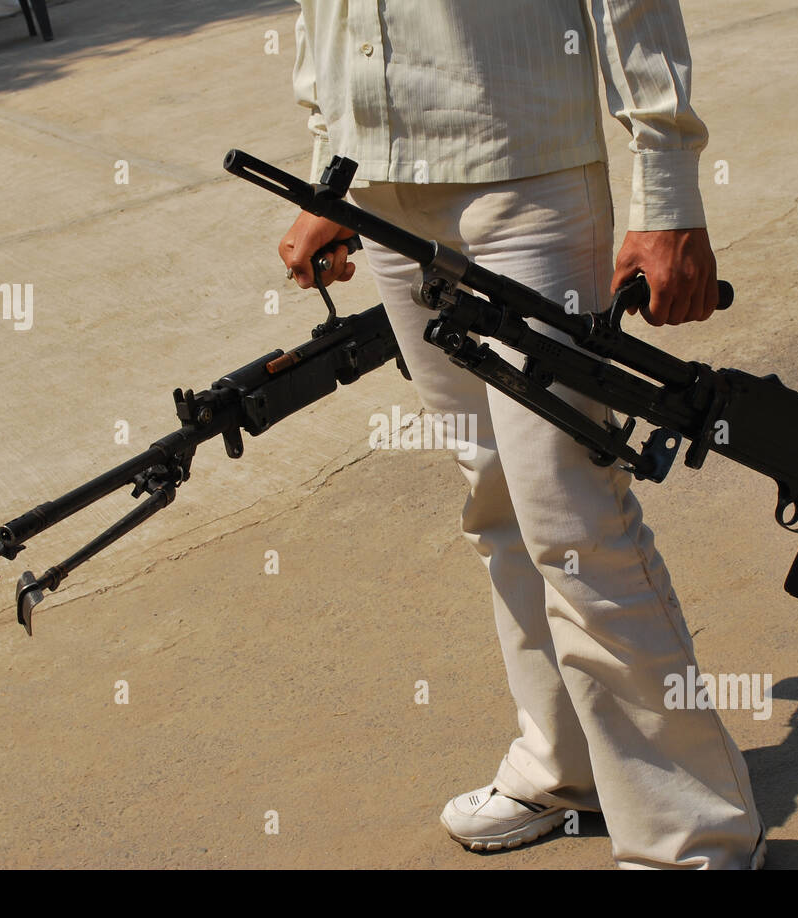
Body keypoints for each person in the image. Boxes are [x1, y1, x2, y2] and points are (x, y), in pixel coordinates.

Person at [278, 0, 765, 869]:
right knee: (496, 494)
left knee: (571, 511)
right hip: (387, 192)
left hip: (522, 174)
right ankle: (563, 761)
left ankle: (694, 837)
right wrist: (333, 174)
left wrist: (669, 190)